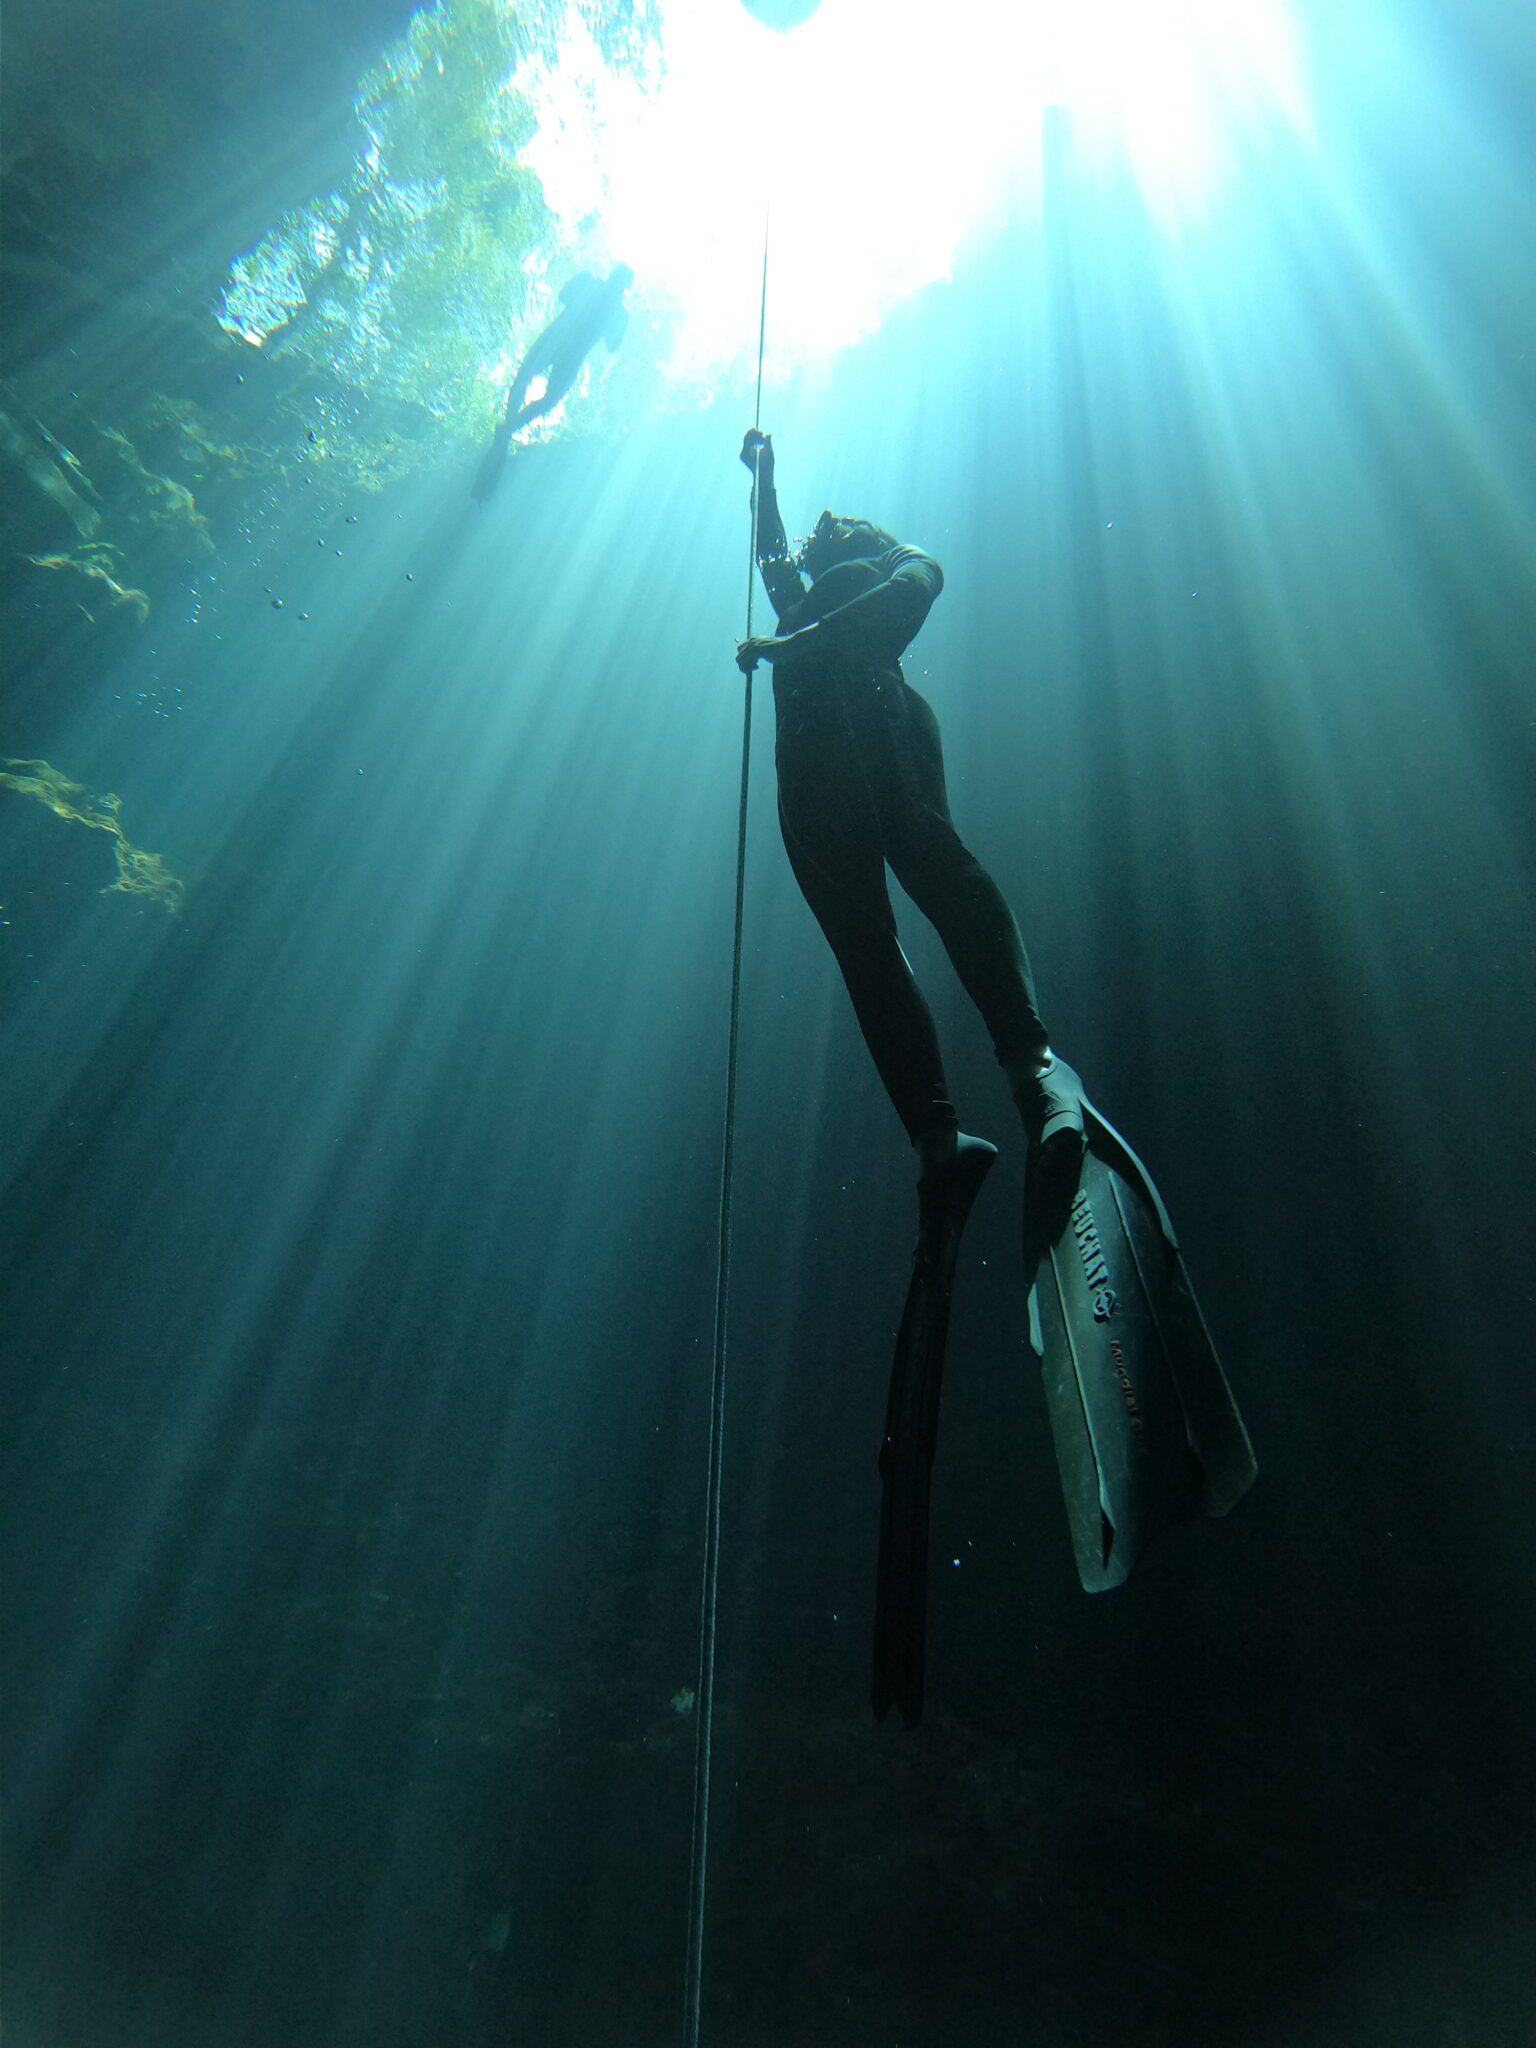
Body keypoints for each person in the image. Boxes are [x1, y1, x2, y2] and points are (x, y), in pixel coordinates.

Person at [733, 428, 1085, 1222]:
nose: (829, 521)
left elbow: (910, 595)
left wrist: (799, 644)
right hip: (807, 763)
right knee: (862, 945)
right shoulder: (798, 602)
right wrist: (766, 480)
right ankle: (935, 1138)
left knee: (937, 867)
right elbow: (774, 561)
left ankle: (1034, 1068)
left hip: (876, 718)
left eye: (844, 520)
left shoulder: (894, 560)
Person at [470, 264, 634, 500]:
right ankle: (507, 430)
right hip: (564, 347)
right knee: (531, 386)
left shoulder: (603, 297)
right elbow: (612, 344)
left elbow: (565, 298)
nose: (616, 284)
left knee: (536, 390)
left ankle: (507, 430)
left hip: (561, 345)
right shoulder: (606, 300)